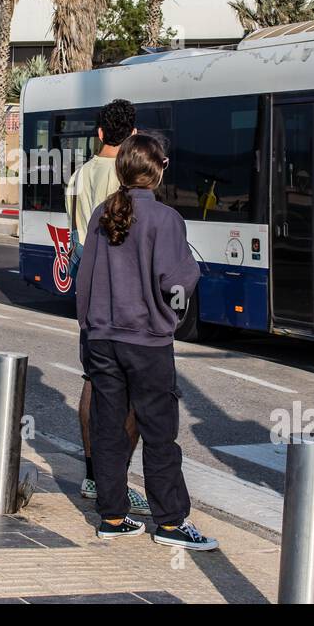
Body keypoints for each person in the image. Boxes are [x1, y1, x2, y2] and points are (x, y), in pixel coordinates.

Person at [76, 133, 217, 550]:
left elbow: (84, 282)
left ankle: (113, 516)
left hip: (101, 338)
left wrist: (89, 331)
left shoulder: (103, 212)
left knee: (108, 429)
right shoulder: (165, 219)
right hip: (147, 342)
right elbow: (175, 282)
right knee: (159, 433)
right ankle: (171, 523)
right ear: (158, 171)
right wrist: (174, 308)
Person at [66, 99, 150, 516]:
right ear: (132, 134)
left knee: (92, 377)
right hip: (118, 282)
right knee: (129, 385)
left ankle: (92, 472)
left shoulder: (80, 174)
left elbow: (75, 232)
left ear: (99, 133)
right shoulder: (125, 177)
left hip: (87, 276)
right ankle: (114, 480)